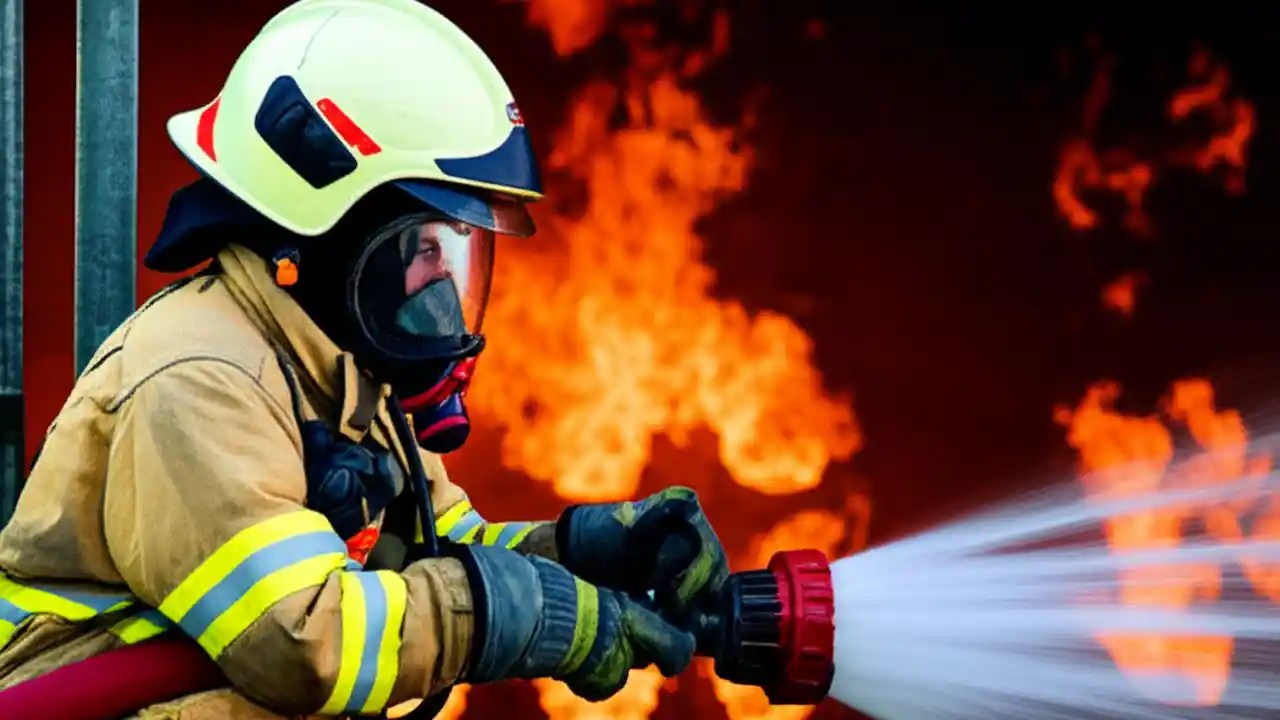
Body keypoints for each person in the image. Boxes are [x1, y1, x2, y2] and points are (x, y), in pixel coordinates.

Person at [0, 1, 728, 717]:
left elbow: (440, 554)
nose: (442, 285)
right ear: (324, 233)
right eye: (420, 246)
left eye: (457, 253)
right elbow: (300, 644)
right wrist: (515, 613)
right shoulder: (200, 378)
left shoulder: (335, 368)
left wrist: (579, 554)